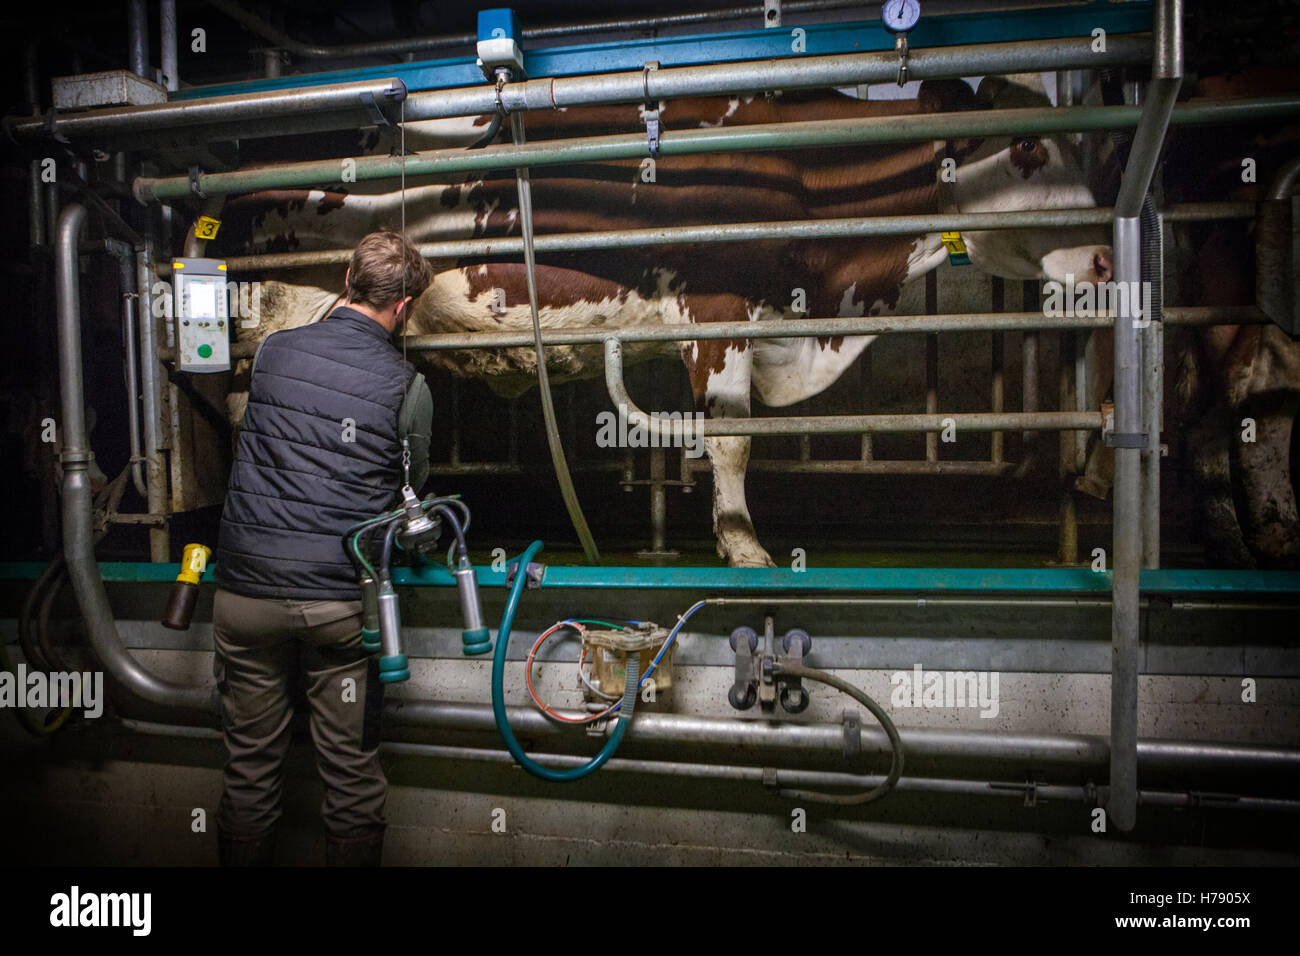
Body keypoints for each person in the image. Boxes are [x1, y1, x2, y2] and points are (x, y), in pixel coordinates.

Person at [211, 230, 434, 866]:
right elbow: (411, 489)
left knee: (248, 773)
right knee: (351, 781)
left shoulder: (275, 351)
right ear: (406, 306)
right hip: (336, 604)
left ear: (346, 281)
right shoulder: (407, 383)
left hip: (244, 596)